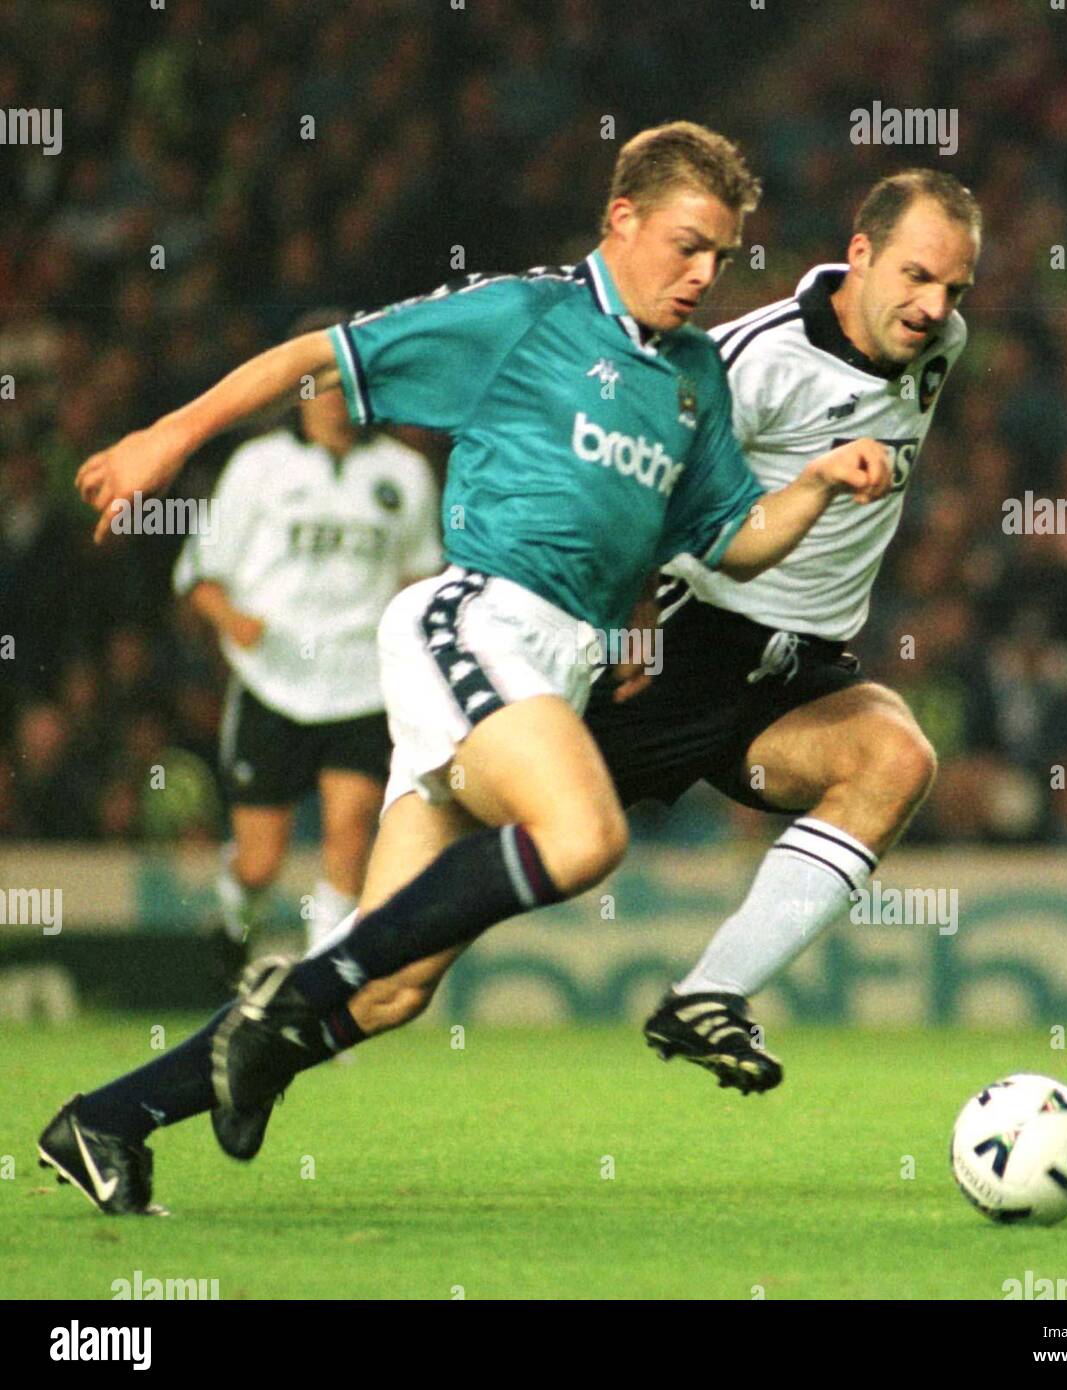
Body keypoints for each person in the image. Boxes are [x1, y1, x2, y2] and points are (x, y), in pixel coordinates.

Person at [39, 121, 893, 1213]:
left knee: (388, 984)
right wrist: (171, 435)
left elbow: (729, 535)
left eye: (723, 257)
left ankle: (106, 1119)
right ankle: (284, 1004)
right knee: (584, 835)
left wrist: (816, 484)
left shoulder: (689, 382)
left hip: (555, 666)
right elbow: (321, 358)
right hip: (473, 625)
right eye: (686, 245)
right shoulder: (523, 317)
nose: (703, 276)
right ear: (620, 220)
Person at [297, 168, 980, 1101]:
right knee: (402, 969)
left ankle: (707, 997)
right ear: (857, 256)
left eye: (954, 289)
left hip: (787, 673)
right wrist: (638, 613)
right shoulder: (750, 361)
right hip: (676, 652)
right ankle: (254, 1041)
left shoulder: (939, 345)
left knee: (894, 757)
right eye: (916, 277)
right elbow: (647, 475)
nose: (935, 306)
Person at [174, 308, 442, 972]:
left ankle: (321, 1001)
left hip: (360, 683)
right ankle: (234, 913)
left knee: (349, 836)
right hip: (274, 681)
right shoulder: (256, 468)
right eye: (322, 384)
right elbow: (199, 576)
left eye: (347, 385)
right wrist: (233, 621)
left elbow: (419, 573)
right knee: (262, 859)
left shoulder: (403, 475)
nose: (336, 400)